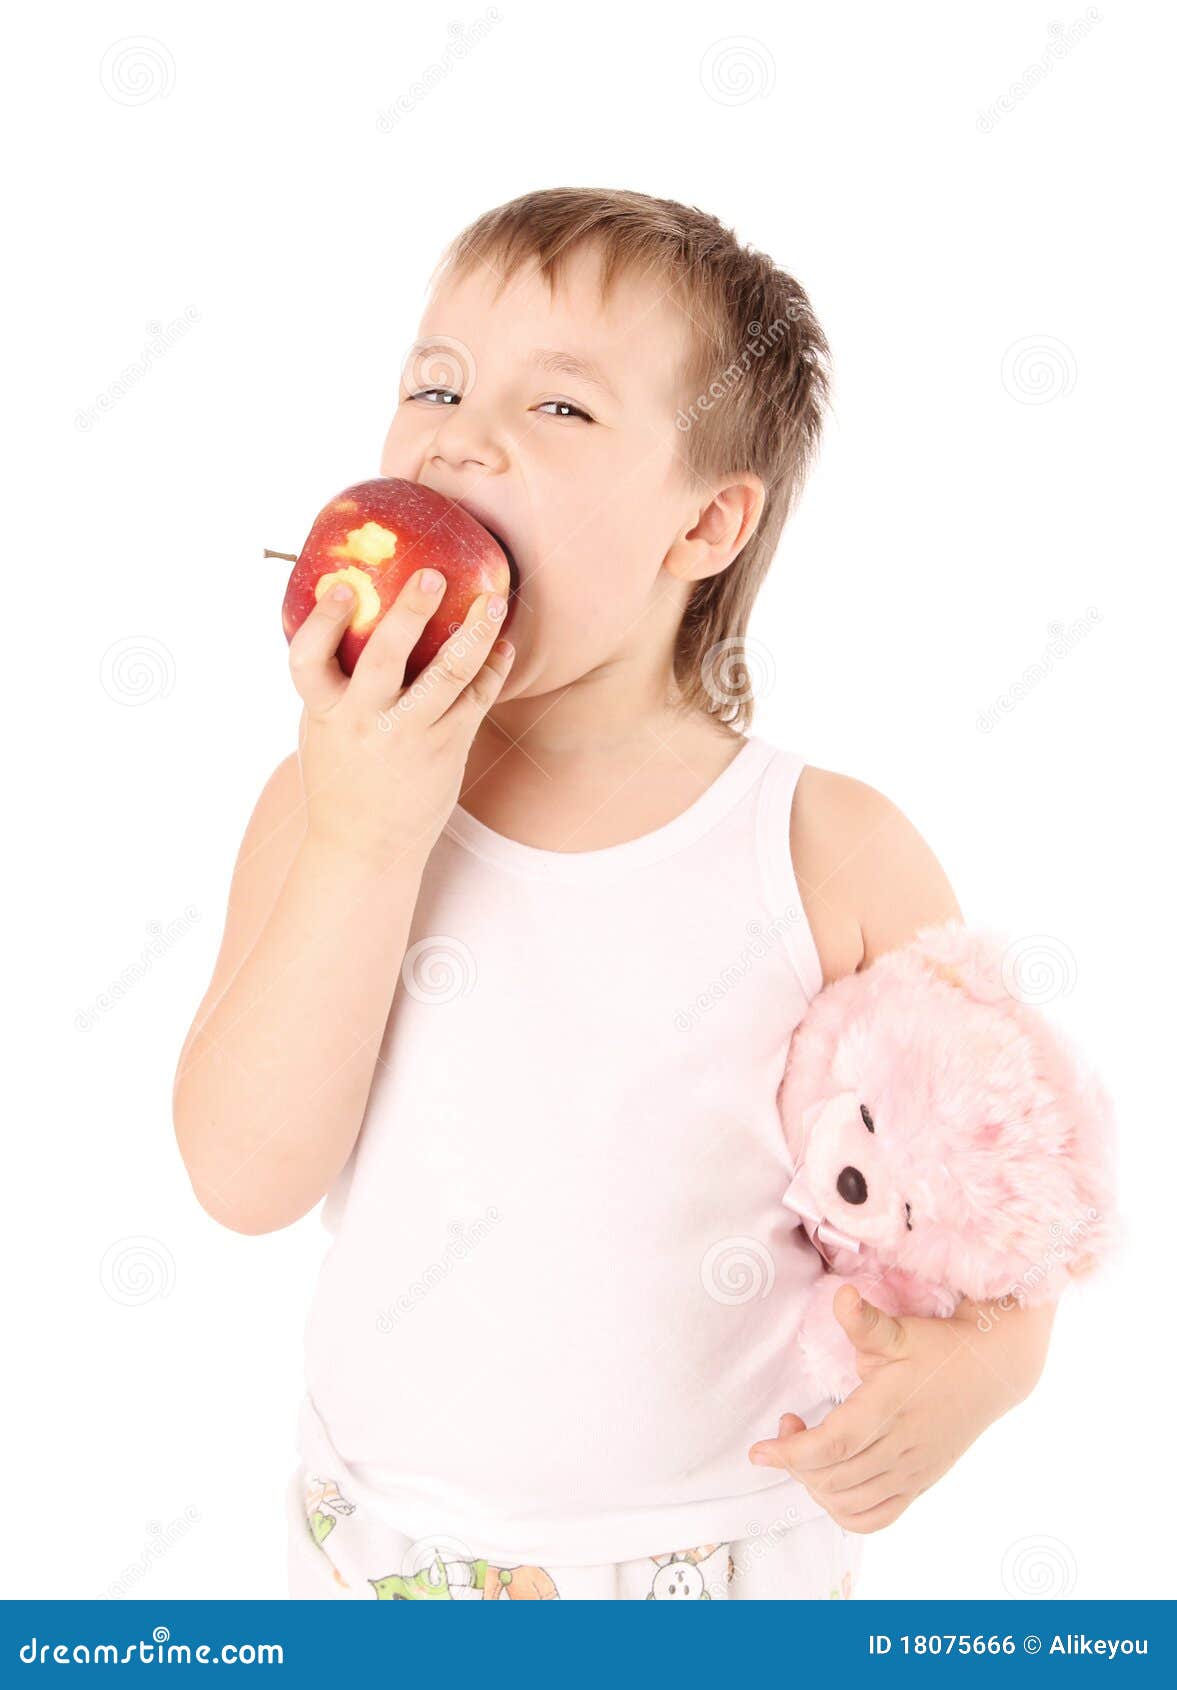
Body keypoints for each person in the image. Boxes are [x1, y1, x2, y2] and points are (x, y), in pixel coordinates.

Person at [173, 187, 1056, 1600]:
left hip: (720, 1563)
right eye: (435, 383)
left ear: (704, 523)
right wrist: (363, 838)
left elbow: (1009, 1191)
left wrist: (990, 1368)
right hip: (386, 1554)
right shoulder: (322, 803)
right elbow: (241, 1180)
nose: (460, 435)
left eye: (559, 407)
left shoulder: (828, 848)